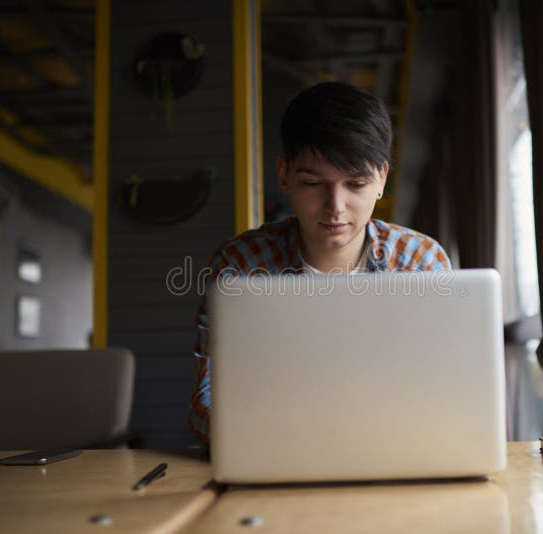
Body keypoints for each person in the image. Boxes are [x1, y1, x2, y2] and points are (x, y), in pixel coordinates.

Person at [189, 82, 451, 445]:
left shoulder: (419, 263)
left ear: (381, 180)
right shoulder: (241, 265)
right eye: (313, 183)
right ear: (284, 176)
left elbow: (448, 390)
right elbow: (206, 399)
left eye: (356, 185)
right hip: (277, 452)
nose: (335, 206)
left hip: (396, 452)